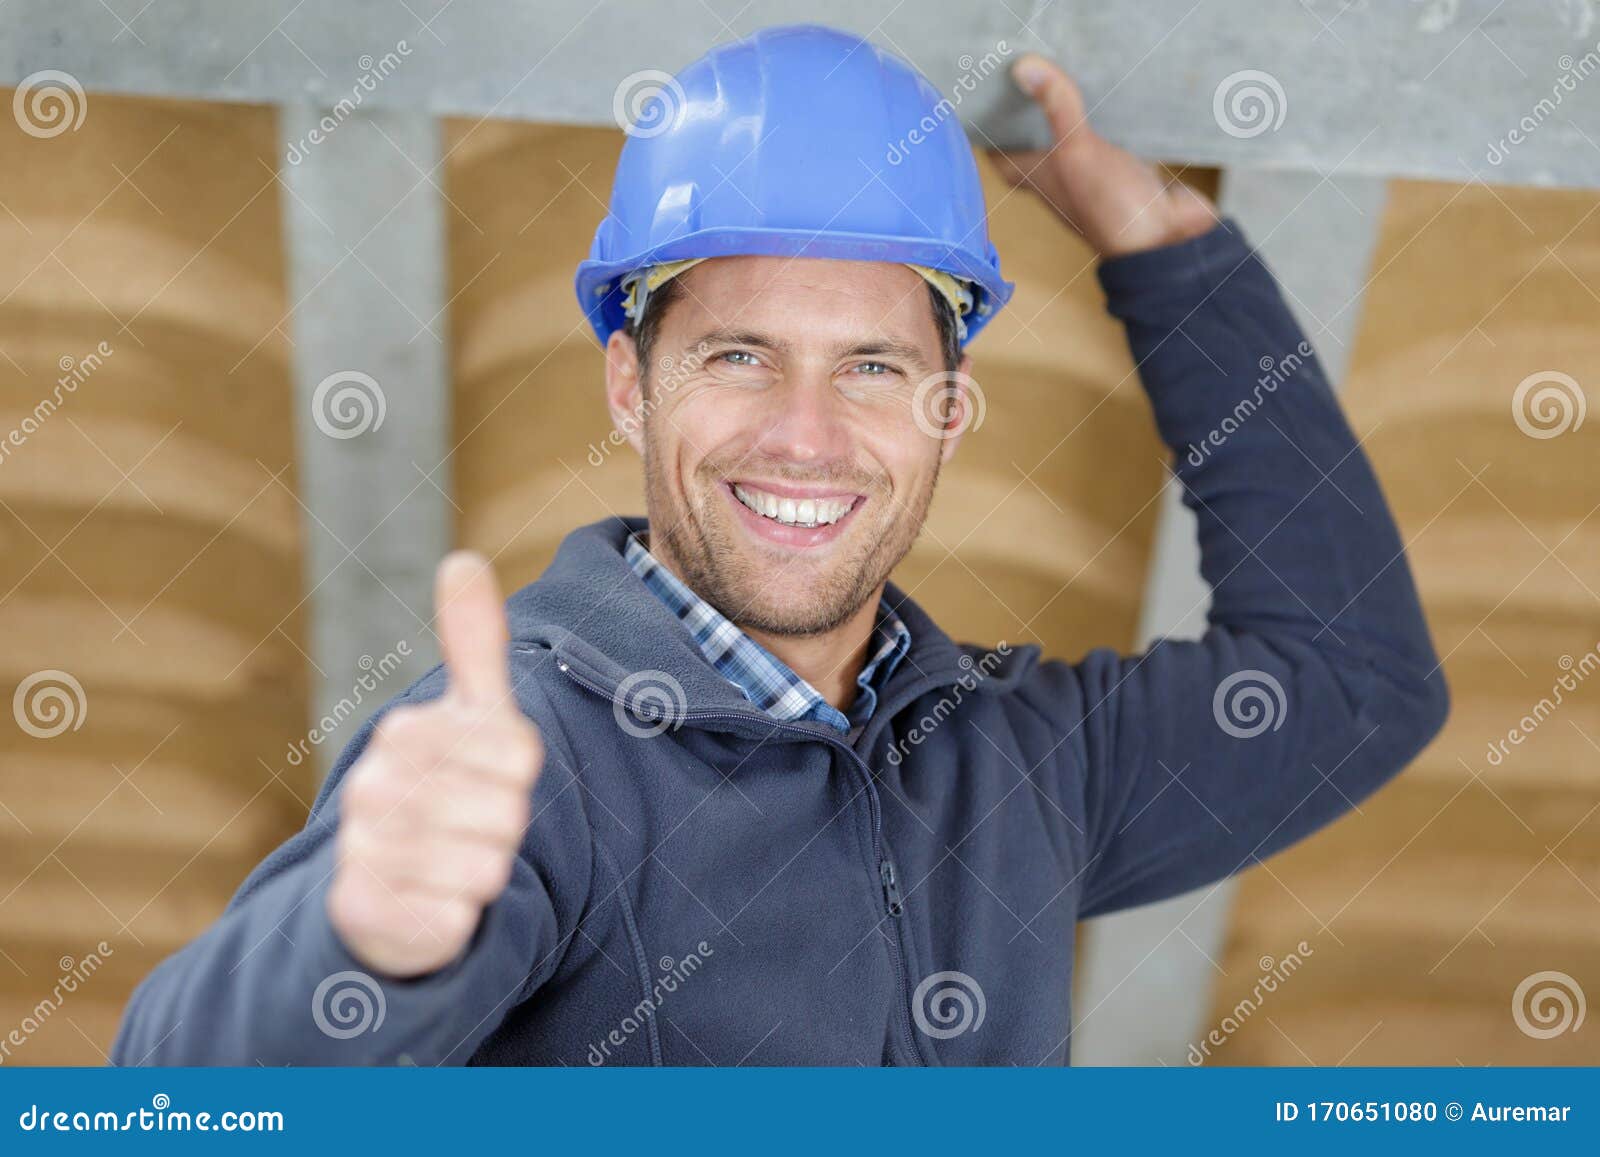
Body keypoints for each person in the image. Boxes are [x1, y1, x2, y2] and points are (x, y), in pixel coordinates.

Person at [113, 23, 1447, 1067]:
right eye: (739, 355)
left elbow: (1351, 678)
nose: (804, 436)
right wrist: (358, 947)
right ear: (632, 387)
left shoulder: (1028, 764)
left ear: (948, 409)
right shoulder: (528, 765)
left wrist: (1168, 252)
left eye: (871, 367)